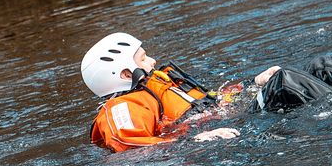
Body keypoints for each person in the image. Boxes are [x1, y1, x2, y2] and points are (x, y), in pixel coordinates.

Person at [82, 32, 241, 153]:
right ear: (126, 74)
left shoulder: (154, 89)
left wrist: (248, 84)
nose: (152, 61)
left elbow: (204, 102)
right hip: (193, 146)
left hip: (216, 125)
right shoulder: (121, 107)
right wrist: (193, 141)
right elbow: (130, 146)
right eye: (143, 59)